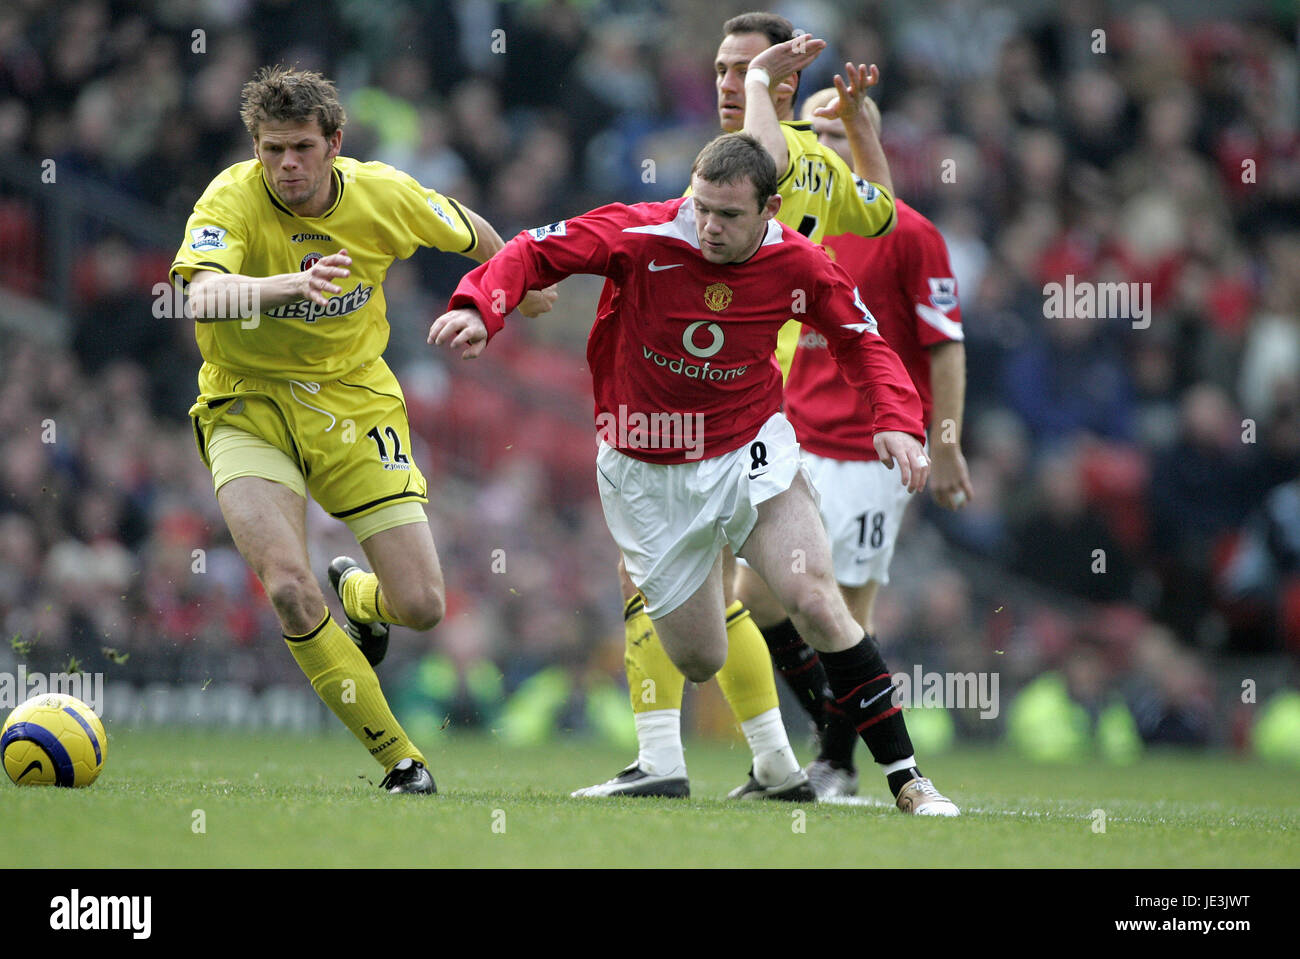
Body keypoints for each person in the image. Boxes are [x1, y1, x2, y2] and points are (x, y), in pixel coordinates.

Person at [431, 132, 960, 815]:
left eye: (729, 215)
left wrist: (896, 417)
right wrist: (481, 306)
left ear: (771, 208)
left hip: (750, 450)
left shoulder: (800, 261)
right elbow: (535, 250)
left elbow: (862, 340)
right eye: (701, 206)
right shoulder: (642, 231)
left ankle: (908, 779)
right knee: (700, 658)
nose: (708, 225)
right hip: (645, 468)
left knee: (815, 596)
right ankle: (747, 759)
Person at [170, 66, 555, 794]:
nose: (286, 164)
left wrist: (515, 288)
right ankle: (401, 761)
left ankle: (362, 599)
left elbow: (471, 230)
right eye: (271, 148)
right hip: (247, 404)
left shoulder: (382, 194)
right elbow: (199, 290)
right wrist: (282, 286)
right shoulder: (230, 196)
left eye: (302, 148)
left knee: (422, 606)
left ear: (334, 143)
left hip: (354, 406)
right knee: (287, 585)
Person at [573, 10, 903, 802]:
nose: (726, 83)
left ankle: (675, 758)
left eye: (745, 70)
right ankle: (780, 762)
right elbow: (885, 214)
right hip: (756, 401)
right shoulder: (818, 162)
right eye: (721, 69)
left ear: (786, 78)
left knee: (702, 582)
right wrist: (862, 133)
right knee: (736, 594)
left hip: (735, 407)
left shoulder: (769, 161)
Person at [734, 88, 974, 799]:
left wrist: (948, 443)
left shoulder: (910, 234)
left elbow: (947, 346)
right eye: (817, 132)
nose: (827, 146)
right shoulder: (793, 226)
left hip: (872, 454)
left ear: (866, 138)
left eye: (844, 132)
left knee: (845, 611)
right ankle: (838, 737)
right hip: (797, 440)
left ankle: (837, 765)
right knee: (760, 596)